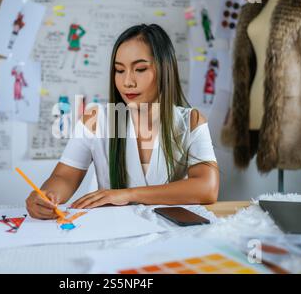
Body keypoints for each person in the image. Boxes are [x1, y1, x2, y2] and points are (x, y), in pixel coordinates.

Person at [26, 24, 219, 219]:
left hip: (169, 236)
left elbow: (207, 188)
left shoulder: (191, 121)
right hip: (111, 234)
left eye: (140, 69)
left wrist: (127, 194)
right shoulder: (95, 120)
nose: (127, 82)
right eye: (119, 70)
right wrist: (47, 196)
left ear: (165, 69)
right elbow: (64, 177)